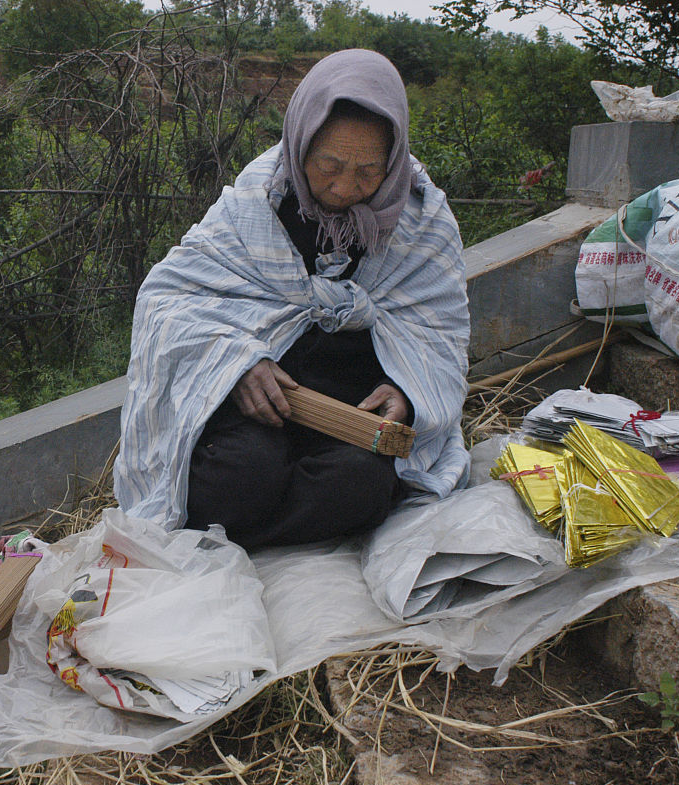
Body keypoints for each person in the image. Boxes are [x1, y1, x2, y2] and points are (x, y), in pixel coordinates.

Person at [113, 49, 471, 550]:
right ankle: (262, 517)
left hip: (351, 401)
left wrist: (408, 390)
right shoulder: (255, 204)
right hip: (256, 396)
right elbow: (168, 299)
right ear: (301, 142)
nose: (345, 188)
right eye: (329, 165)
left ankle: (241, 537)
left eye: (369, 172)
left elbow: (439, 331)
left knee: (360, 486)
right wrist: (234, 360)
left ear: (392, 163)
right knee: (239, 478)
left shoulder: (422, 221)